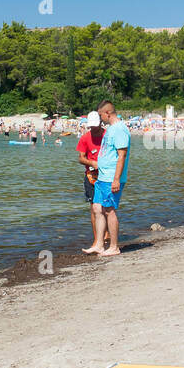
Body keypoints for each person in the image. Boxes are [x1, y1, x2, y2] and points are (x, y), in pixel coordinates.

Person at [83, 102, 129, 257]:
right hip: (102, 177)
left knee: (109, 210)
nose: (100, 119)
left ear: (108, 113)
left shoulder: (120, 129)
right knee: (97, 208)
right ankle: (99, 245)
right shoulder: (111, 129)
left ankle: (114, 246)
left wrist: (116, 179)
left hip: (111, 178)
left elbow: (121, 155)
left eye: (101, 115)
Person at [76, 111, 107, 248]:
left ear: (100, 123)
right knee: (94, 209)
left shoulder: (108, 135)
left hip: (107, 175)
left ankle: (107, 234)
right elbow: (81, 158)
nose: (93, 129)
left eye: (96, 126)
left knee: (106, 207)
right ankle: (97, 238)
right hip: (91, 177)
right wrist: (92, 163)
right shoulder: (84, 138)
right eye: (91, 126)